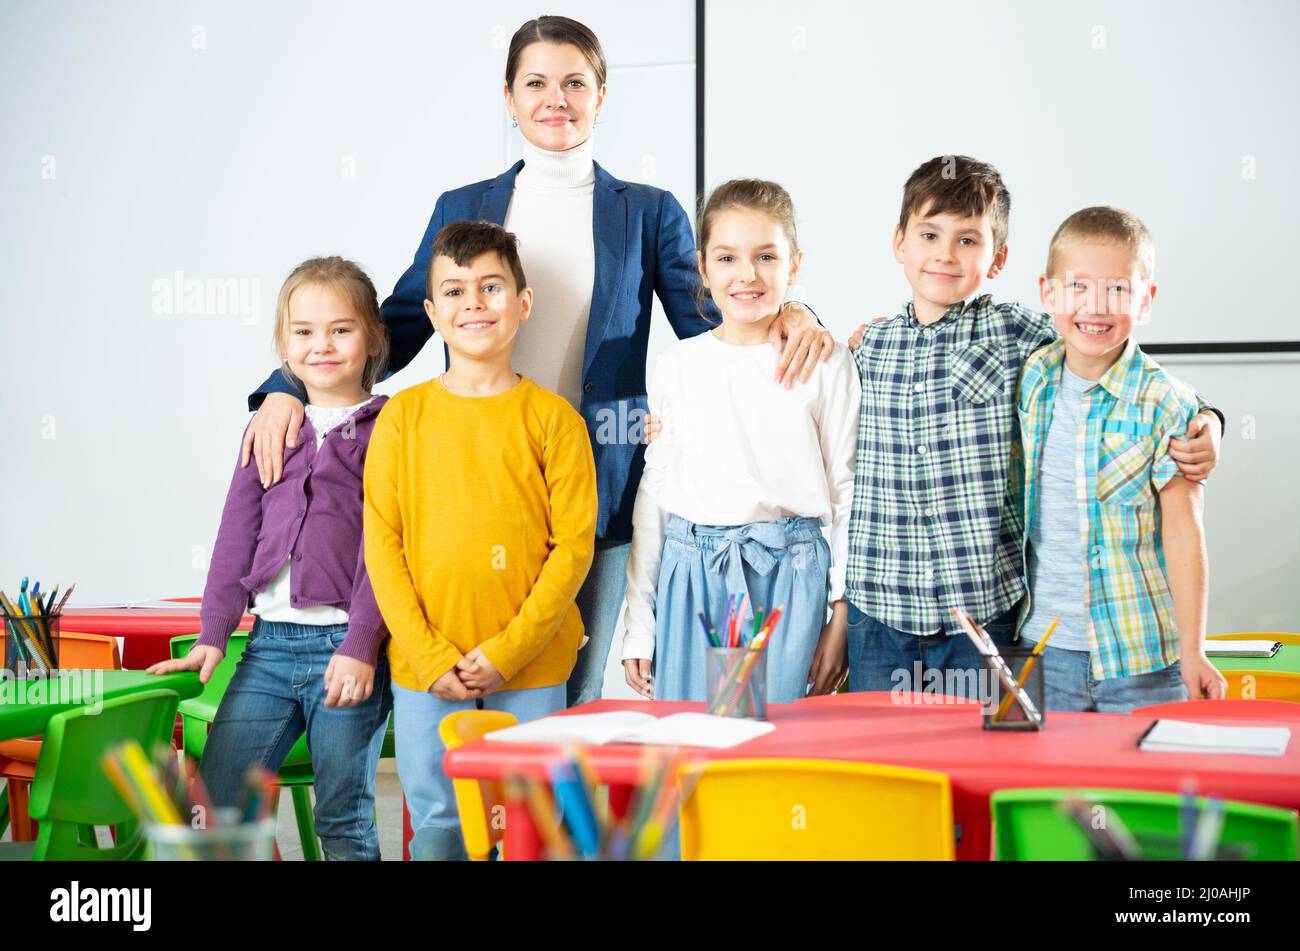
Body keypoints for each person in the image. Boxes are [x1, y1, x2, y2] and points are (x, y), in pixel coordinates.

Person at [240, 15, 833, 708]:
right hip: (473, 491)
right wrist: (287, 385)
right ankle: (464, 821)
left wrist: (799, 312)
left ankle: (542, 821)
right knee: (463, 695)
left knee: (566, 702)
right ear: (510, 96)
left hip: (599, 484)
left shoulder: (647, 210)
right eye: (537, 83)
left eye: (575, 82)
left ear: (601, 96)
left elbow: (717, 318)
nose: (557, 98)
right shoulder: (461, 207)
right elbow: (394, 324)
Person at [842, 156, 1222, 699]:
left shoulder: (1015, 333)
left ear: (996, 259)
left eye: (968, 241)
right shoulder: (868, 347)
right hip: (879, 611)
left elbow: (1102, 349)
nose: (946, 254)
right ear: (900, 242)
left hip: (983, 614)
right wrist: (800, 312)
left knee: (981, 767)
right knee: (882, 765)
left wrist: (1208, 416)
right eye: (929, 235)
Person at [363, 220, 597, 860]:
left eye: (491, 288)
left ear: (523, 305)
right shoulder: (401, 420)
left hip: (531, 667)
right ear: (432, 313)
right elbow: (382, 546)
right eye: (457, 292)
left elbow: (572, 550)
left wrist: (510, 651)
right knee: (439, 821)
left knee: (529, 826)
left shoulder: (555, 422)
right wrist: (430, 655)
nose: (475, 304)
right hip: (424, 670)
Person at [148, 256, 392, 860]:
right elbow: (236, 536)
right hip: (268, 649)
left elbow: (389, 552)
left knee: (343, 816)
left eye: (341, 329)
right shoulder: (268, 426)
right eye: (304, 332)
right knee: (215, 809)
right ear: (282, 342)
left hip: (349, 651)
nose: (322, 346)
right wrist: (211, 634)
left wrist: (362, 646)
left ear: (373, 337)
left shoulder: (392, 429)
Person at [622, 179, 860, 704]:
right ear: (703, 268)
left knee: (781, 753)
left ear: (794, 265)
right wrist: (639, 622)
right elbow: (655, 494)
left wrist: (839, 615)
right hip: (690, 580)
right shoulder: (677, 366)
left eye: (766, 256)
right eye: (727, 258)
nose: (747, 275)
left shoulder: (827, 363)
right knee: (694, 752)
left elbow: (846, 493)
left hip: (793, 579)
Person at [1016, 205, 1227, 711]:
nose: (1097, 306)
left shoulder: (1166, 404)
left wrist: (1194, 650)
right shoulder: (1032, 378)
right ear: (1048, 293)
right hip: (1042, 650)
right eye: (1078, 287)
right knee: (1055, 790)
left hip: (1143, 656)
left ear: (1146, 300)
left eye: (1118, 289)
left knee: (1142, 786)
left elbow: (1183, 532)